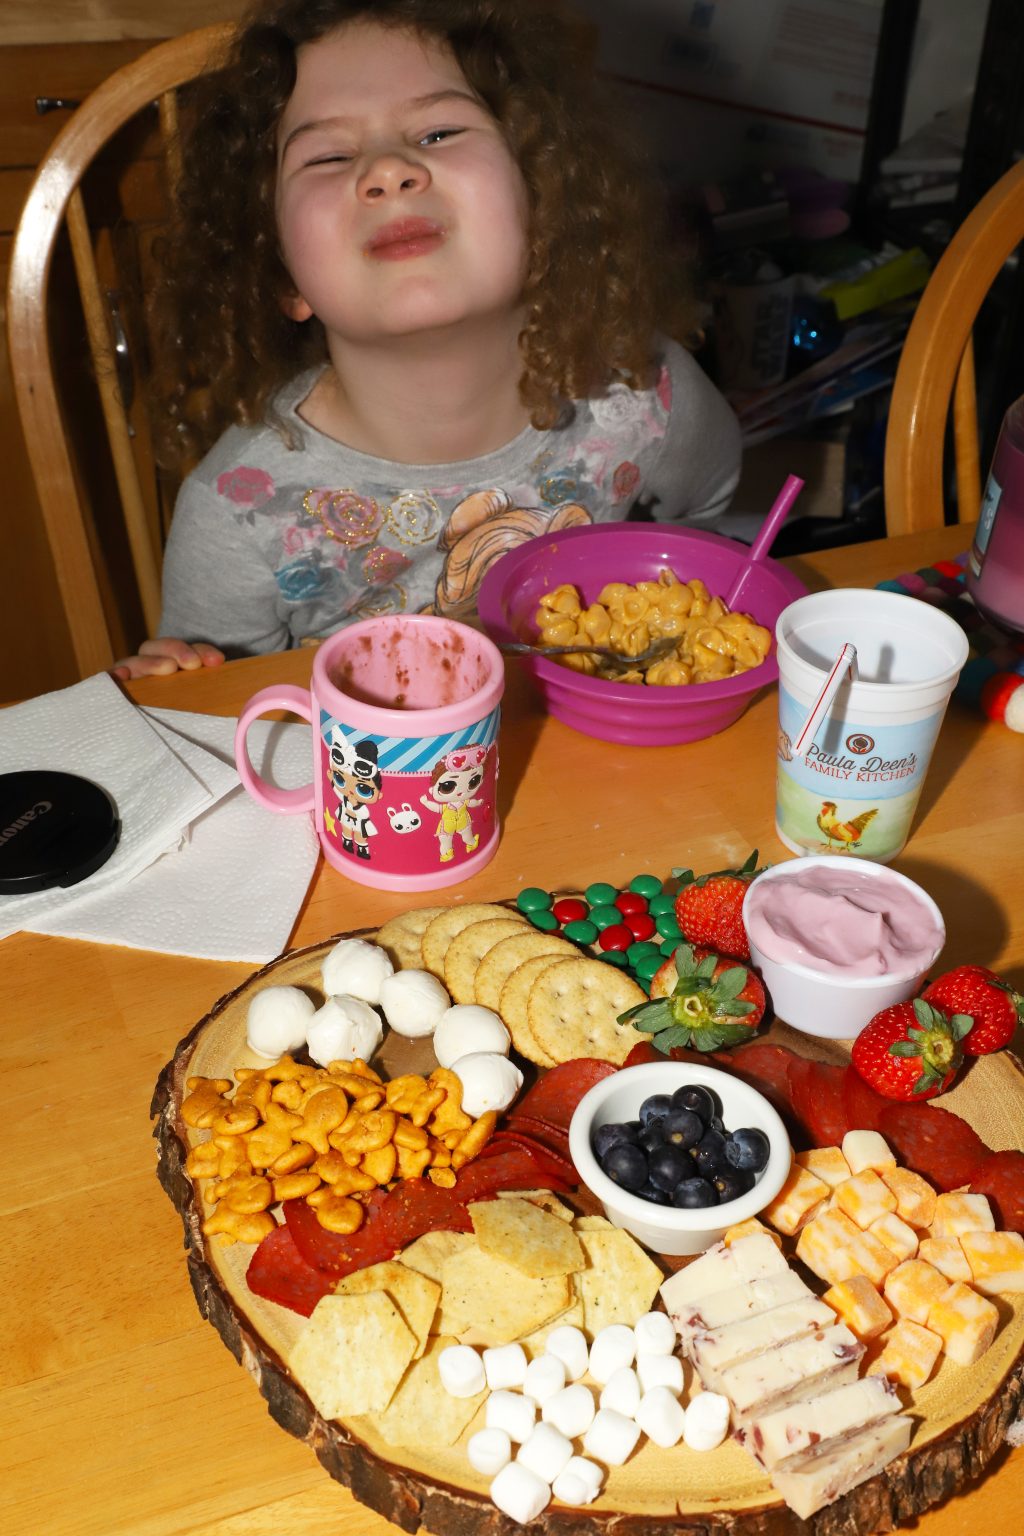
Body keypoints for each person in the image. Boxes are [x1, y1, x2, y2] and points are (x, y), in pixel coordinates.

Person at [115, 0, 742, 681]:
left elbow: (708, 516)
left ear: (546, 203)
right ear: (279, 272)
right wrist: (173, 685)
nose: (389, 170)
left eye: (439, 132)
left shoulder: (647, 394)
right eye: (329, 155)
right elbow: (216, 715)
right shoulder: (241, 512)